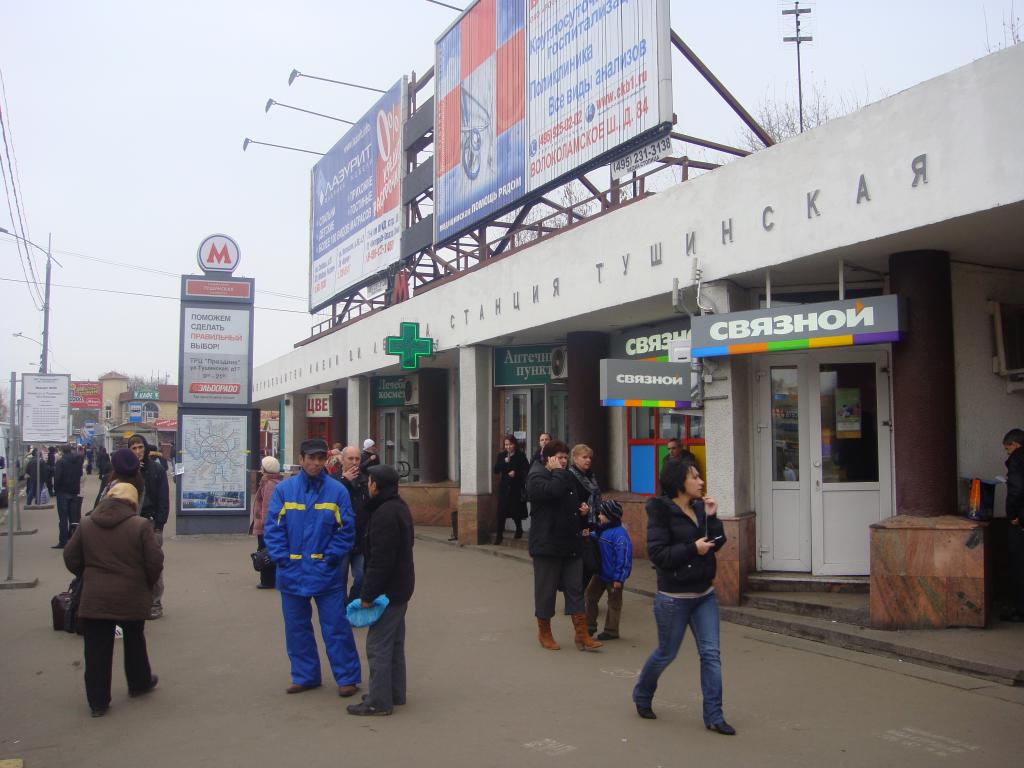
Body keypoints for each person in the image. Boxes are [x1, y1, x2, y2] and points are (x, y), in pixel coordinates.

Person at [632, 458, 734, 735]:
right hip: (673, 598)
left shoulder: (700, 508)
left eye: (700, 477)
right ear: (680, 482)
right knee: (666, 653)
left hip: (704, 595)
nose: (701, 482)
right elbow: (659, 555)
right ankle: (642, 693)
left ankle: (714, 715)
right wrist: (692, 548)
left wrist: (712, 518)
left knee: (711, 655)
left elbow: (717, 544)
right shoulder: (661, 512)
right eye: (695, 477)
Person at [263, 438, 361, 697]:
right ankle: (305, 676)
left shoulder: (337, 491)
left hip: (325, 572)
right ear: (302, 458)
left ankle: (347, 677)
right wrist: (282, 557)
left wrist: (331, 557)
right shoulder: (285, 490)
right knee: (296, 629)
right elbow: (273, 527)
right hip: (292, 572)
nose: (316, 463)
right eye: (311, 458)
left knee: (336, 627)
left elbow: (347, 530)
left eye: (320, 458)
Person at [63, 481, 163, 717]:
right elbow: (154, 562)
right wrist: (145, 582)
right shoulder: (140, 526)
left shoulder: (87, 524)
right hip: (131, 594)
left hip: (95, 596)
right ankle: (139, 683)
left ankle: (98, 702)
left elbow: (70, 557)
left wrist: (87, 574)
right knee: (134, 640)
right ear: (132, 502)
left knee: (96, 649)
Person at [347, 464, 415, 717]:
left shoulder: (384, 514)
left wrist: (367, 595)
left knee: (378, 646)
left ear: (376, 485)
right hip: (401, 587)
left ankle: (378, 701)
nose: (367, 485)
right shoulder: (398, 507)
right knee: (394, 643)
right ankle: (393, 692)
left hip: (387, 591)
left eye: (370, 482)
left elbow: (380, 561)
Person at [526, 440, 602, 652]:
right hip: (547, 544)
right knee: (546, 591)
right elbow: (552, 493)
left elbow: (569, 504)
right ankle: (544, 632)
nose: (563, 461)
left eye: (565, 458)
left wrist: (582, 510)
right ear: (548, 458)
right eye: (559, 457)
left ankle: (582, 634)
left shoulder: (565, 475)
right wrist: (558, 472)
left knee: (575, 589)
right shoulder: (536, 476)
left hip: (570, 542)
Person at [128, 436, 169, 619]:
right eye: (134, 448)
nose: (137, 451)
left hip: (150, 522)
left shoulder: (156, 470)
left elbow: (163, 499)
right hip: (128, 523)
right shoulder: (126, 470)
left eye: (140, 447)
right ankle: (135, 601)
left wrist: (159, 525)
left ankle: (155, 603)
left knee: (153, 565)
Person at [585, 500, 633, 640]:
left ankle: (611, 630)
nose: (599, 516)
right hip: (600, 573)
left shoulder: (620, 535)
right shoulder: (602, 530)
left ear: (610, 516)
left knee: (614, 603)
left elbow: (624, 558)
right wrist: (581, 533)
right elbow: (591, 533)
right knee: (590, 596)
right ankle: (589, 625)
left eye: (602, 514)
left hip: (613, 577)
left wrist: (619, 578)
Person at [568, 444, 602, 589]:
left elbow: (596, 496)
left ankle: (582, 595)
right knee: (584, 561)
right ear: (575, 459)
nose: (588, 460)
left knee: (591, 560)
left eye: (589, 457)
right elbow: (568, 499)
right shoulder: (570, 476)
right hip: (579, 524)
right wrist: (578, 507)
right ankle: (577, 596)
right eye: (584, 457)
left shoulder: (590, 475)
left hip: (592, 522)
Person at [338, 445, 369, 602]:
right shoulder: (334, 480)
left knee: (362, 575)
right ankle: (341, 610)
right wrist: (344, 481)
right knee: (340, 579)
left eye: (357, 459)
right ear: (343, 460)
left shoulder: (366, 479)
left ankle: (352, 603)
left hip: (361, 539)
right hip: (341, 540)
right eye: (351, 458)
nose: (354, 462)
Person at [251, 455, 285, 590]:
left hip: (266, 527)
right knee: (269, 551)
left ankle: (267, 580)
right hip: (269, 526)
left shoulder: (269, 484)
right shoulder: (274, 482)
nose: (260, 469)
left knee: (265, 552)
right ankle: (271, 579)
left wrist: (266, 527)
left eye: (262, 466)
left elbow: (268, 507)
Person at [1001, 428, 1024, 622]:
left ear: (1015, 445)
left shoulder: (1017, 459)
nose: (1007, 453)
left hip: (1021, 523)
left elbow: (1017, 488)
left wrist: (1014, 516)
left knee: (1019, 566)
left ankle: (1020, 609)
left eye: (1007, 448)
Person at [493, 435, 529, 544]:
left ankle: (519, 529)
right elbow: (496, 470)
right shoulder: (502, 455)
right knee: (501, 511)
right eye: (506, 444)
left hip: (516, 487)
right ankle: (499, 536)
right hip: (505, 487)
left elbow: (527, 469)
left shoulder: (520, 455)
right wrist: (504, 462)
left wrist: (516, 473)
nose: (508, 447)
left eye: (510, 444)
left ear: (515, 444)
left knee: (515, 510)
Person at [53, 443, 84, 549]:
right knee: (73, 518)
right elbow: (80, 474)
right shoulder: (78, 461)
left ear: (62, 451)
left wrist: (56, 489)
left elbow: (57, 478)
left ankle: (63, 541)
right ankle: (74, 541)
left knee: (63, 518)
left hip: (62, 492)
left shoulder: (60, 462)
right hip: (74, 492)